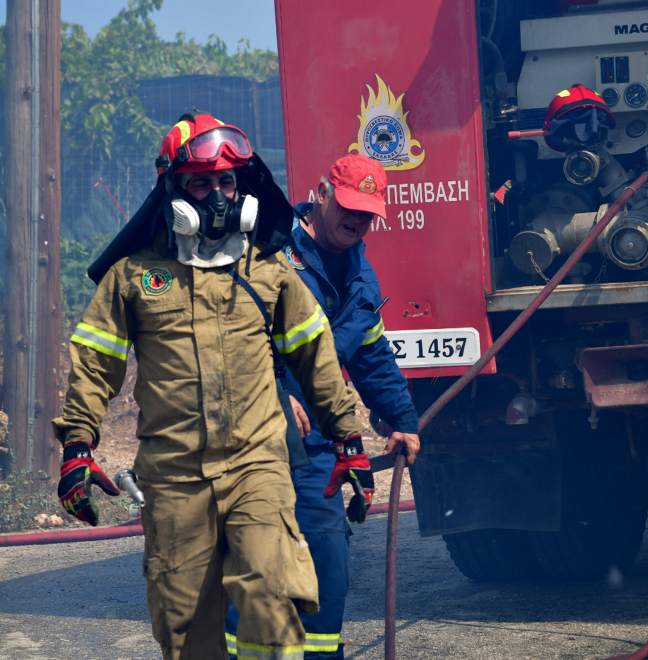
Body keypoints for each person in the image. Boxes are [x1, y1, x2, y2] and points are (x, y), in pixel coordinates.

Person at [52, 113, 373, 660]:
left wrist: (348, 437)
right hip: (175, 477)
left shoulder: (269, 268)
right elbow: (95, 362)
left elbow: (315, 354)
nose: (219, 196)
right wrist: (77, 449)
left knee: (272, 600)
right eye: (202, 182)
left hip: (257, 465)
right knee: (187, 635)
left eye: (228, 183)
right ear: (174, 189)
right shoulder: (133, 276)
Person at [226, 154, 421, 660]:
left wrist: (401, 421)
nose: (356, 219)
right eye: (348, 206)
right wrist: (275, 391)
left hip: (318, 449)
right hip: (254, 438)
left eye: (367, 213)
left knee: (325, 560)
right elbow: (228, 337)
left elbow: (373, 356)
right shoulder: (265, 251)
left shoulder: (360, 274)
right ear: (320, 194)